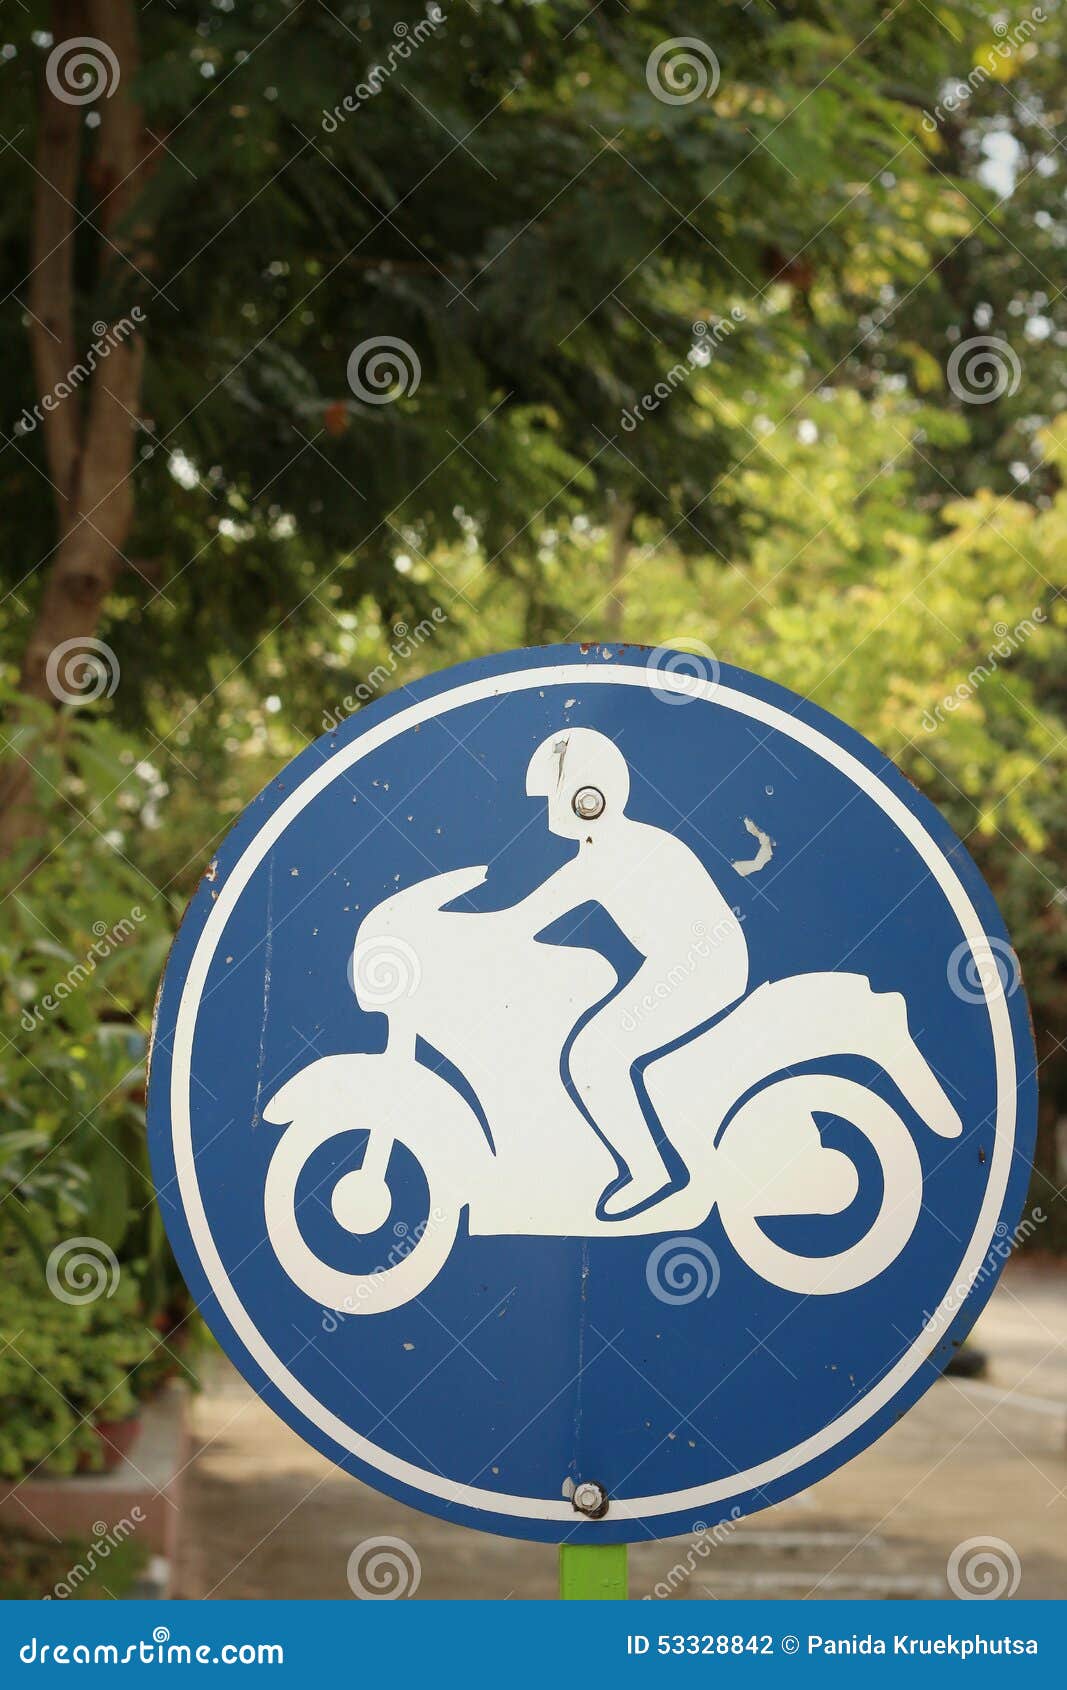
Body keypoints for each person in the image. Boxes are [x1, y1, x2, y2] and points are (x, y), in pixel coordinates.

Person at [520, 727, 749, 1215]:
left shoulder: (616, 850)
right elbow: (531, 912)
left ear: (588, 794)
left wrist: (469, 932)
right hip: (686, 962)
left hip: (700, 965)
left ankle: (650, 1171)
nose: (548, 808)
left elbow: (526, 915)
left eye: (555, 793)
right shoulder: (612, 848)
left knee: (592, 1058)